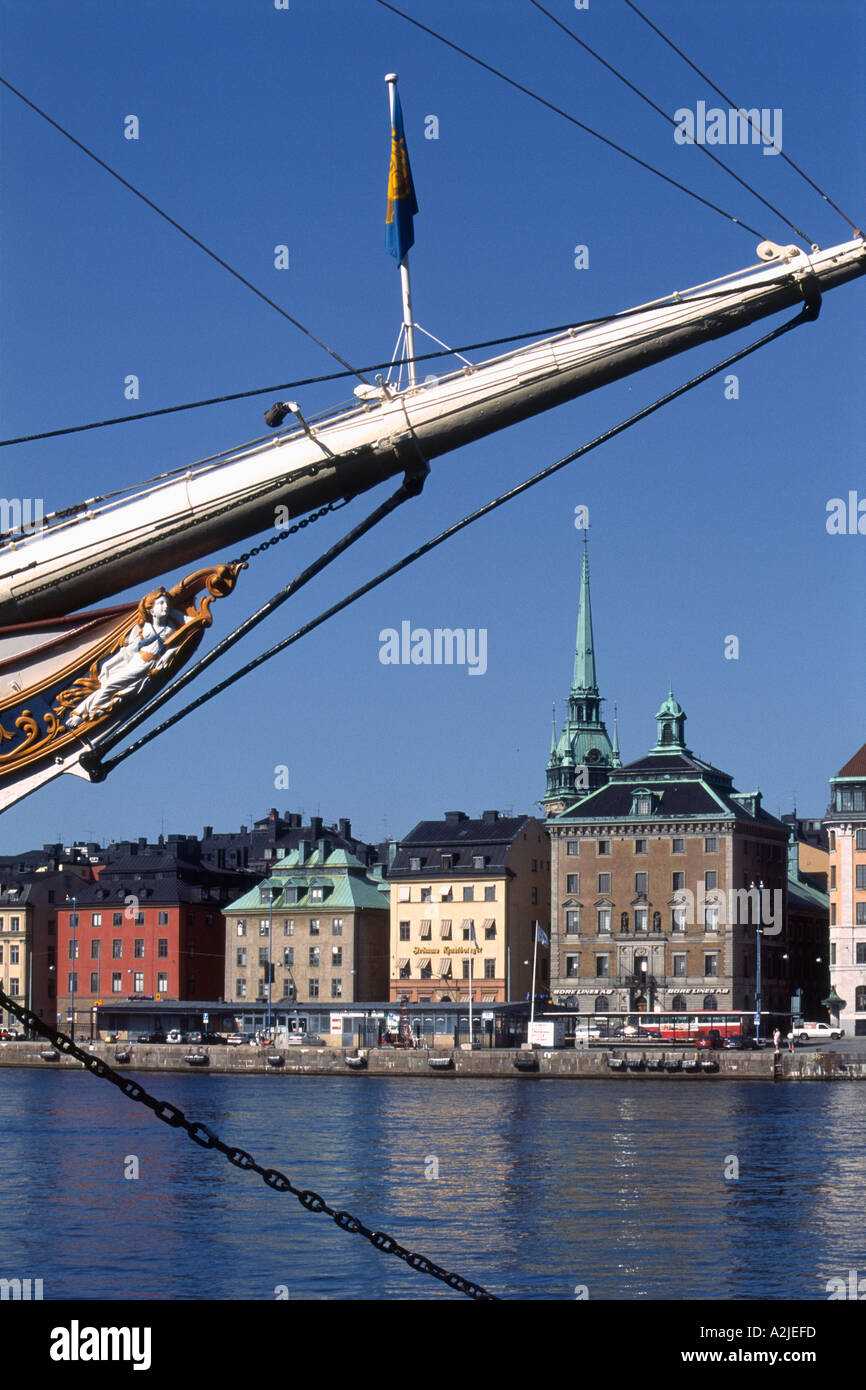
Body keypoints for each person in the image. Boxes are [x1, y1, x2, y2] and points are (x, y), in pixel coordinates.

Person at [66, 589, 185, 727]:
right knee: (110, 686)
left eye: (167, 603)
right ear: (152, 610)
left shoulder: (170, 629)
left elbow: (177, 644)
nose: (166, 606)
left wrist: (169, 654)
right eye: (161, 603)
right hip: (137, 660)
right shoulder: (144, 626)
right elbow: (131, 647)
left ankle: (84, 714)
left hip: (147, 665)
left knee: (112, 686)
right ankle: (82, 713)